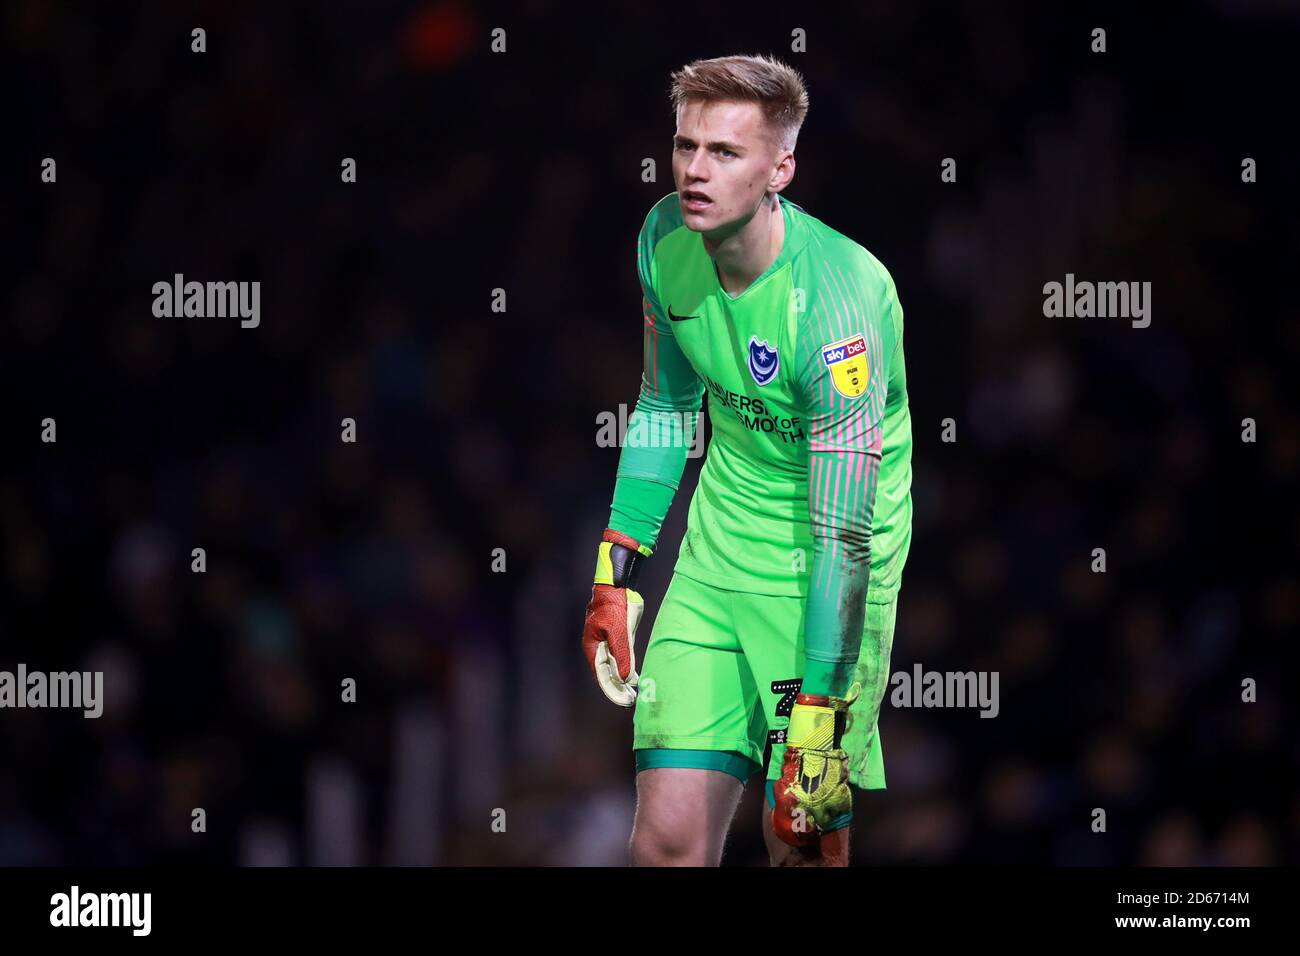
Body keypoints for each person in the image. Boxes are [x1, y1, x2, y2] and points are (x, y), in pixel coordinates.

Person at [581, 53, 912, 866]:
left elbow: (842, 534)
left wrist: (825, 705)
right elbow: (666, 403)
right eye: (686, 146)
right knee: (663, 843)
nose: (696, 170)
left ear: (780, 169)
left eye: (725, 153)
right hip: (715, 557)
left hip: (826, 573)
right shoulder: (664, 237)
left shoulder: (837, 308)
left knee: (799, 841)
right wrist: (614, 572)